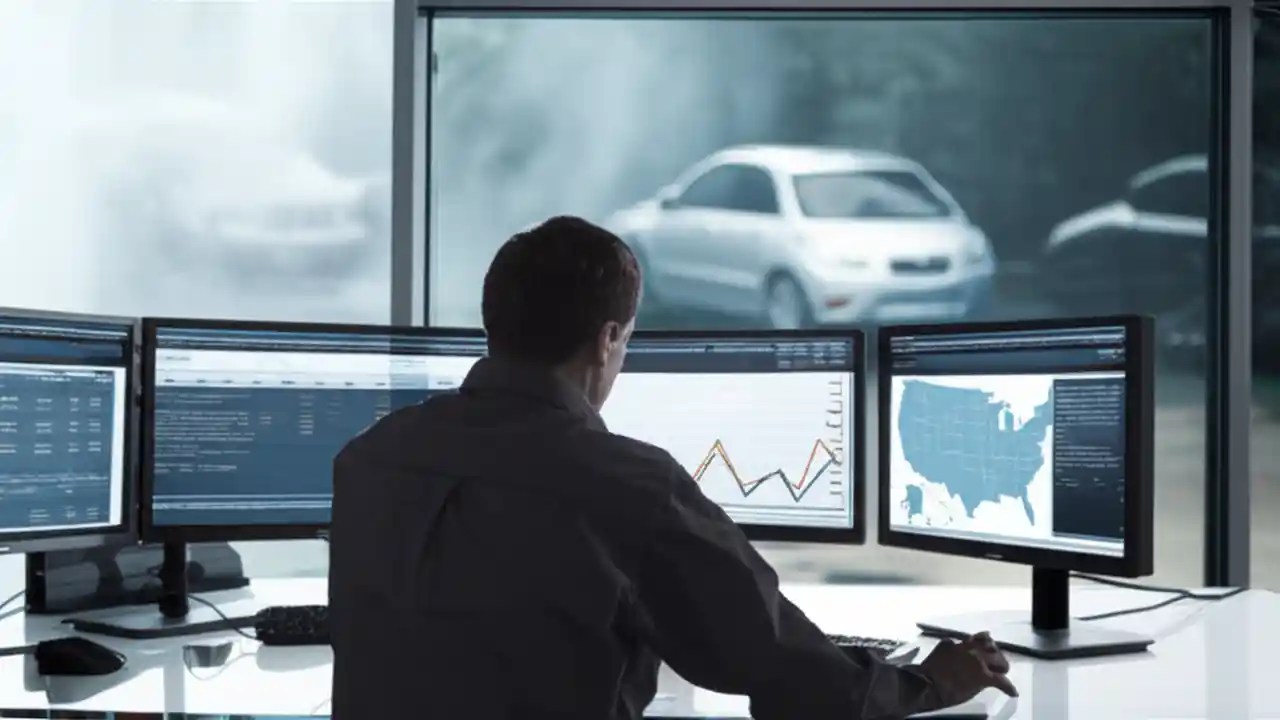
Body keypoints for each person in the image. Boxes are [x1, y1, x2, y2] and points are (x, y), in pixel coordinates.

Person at [328, 216, 1017, 719]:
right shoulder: (626, 485)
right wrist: (931, 682)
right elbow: (786, 675)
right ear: (607, 340)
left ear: (493, 326)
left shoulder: (367, 459)